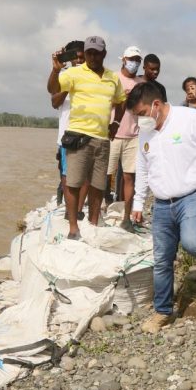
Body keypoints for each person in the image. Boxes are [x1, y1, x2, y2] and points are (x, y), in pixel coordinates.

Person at [129, 81, 196, 333]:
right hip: (163, 204)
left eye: (141, 114)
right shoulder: (146, 132)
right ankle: (162, 311)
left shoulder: (190, 119)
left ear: (156, 105)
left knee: (193, 242)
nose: (139, 120)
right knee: (162, 259)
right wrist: (138, 202)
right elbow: (142, 169)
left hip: (195, 194)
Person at [48, 35, 127, 239]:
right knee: (73, 183)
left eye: (96, 53)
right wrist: (56, 70)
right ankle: (73, 227)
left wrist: (116, 124)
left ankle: (92, 224)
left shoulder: (112, 77)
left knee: (98, 185)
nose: (92, 57)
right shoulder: (74, 73)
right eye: (89, 53)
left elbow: (121, 101)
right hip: (78, 136)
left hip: (102, 139)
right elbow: (53, 90)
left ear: (104, 54)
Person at [108, 46, 147, 231]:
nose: (135, 63)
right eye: (132, 59)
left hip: (134, 136)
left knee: (129, 177)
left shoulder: (141, 83)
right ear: (123, 59)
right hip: (113, 133)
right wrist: (123, 98)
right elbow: (107, 102)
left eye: (138, 60)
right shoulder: (113, 77)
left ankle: (126, 218)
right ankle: (99, 212)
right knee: (104, 175)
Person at [50, 41, 88, 219]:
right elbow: (54, 102)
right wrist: (68, 82)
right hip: (66, 135)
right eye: (75, 57)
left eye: (82, 57)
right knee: (66, 175)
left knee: (86, 175)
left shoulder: (92, 76)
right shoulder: (63, 75)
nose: (79, 61)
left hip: (88, 133)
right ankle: (68, 210)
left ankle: (78, 210)